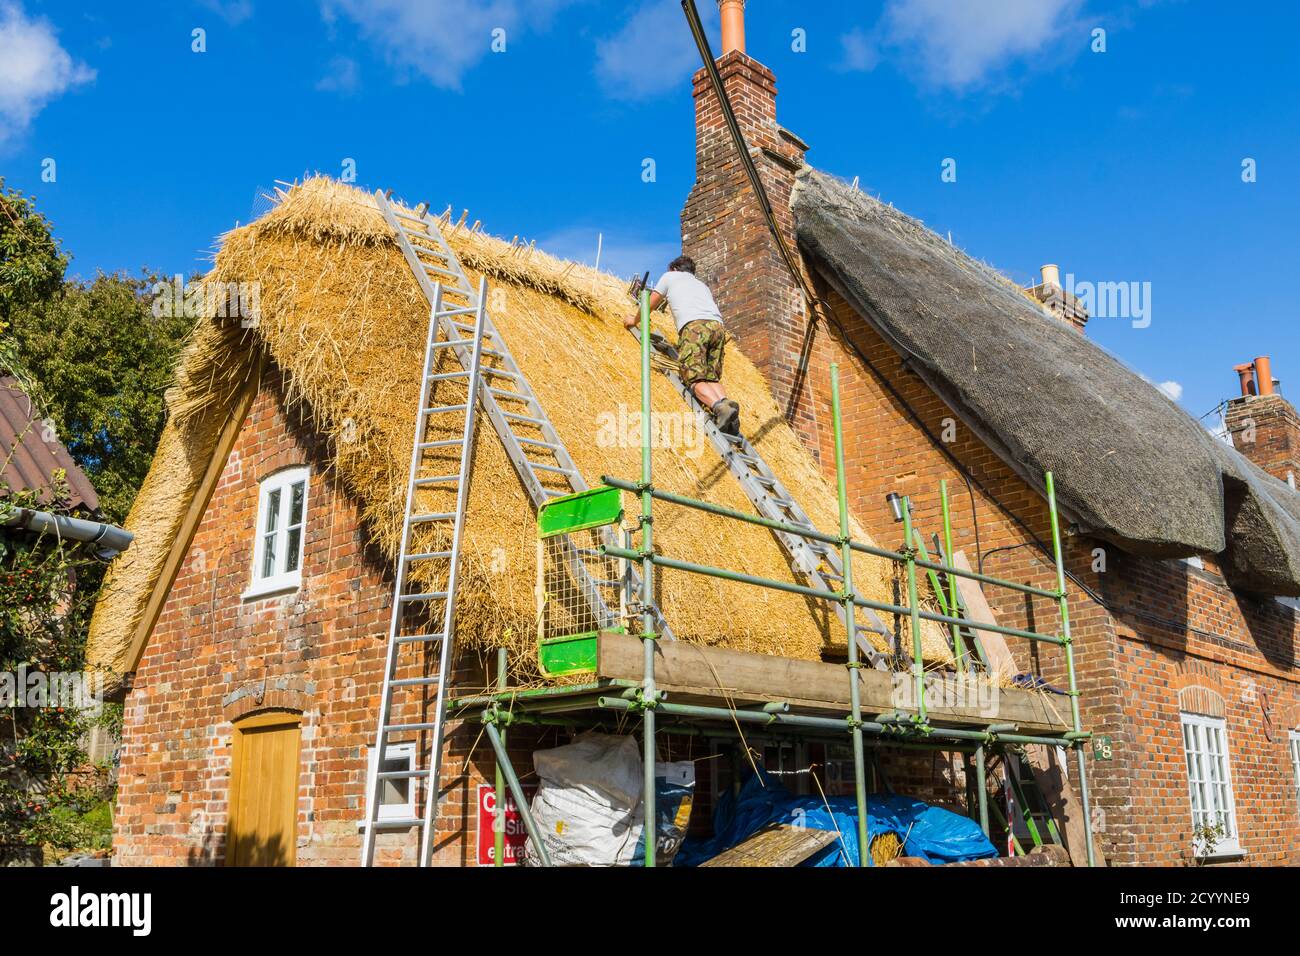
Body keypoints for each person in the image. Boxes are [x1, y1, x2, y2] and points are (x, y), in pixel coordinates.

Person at [624, 255, 740, 435]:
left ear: (674, 268)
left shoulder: (669, 277)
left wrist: (635, 319)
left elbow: (650, 303)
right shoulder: (701, 285)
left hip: (695, 327)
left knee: (692, 378)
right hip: (718, 328)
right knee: (711, 377)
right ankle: (726, 406)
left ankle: (719, 408)